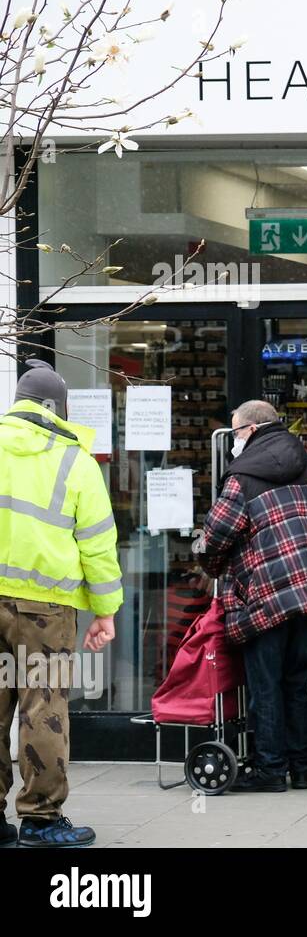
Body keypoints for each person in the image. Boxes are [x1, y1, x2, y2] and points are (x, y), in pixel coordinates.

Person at [0, 360, 121, 848]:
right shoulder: (75, 461)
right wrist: (105, 610)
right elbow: (97, 542)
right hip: (44, 608)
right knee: (41, 708)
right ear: (57, 408)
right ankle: (41, 818)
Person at [197, 400, 307, 792]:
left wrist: (214, 566)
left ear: (252, 430)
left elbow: (216, 535)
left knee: (266, 685)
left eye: (236, 431)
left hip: (262, 595)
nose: (234, 440)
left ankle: (270, 770)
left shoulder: (242, 476)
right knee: (297, 681)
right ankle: (302, 767)